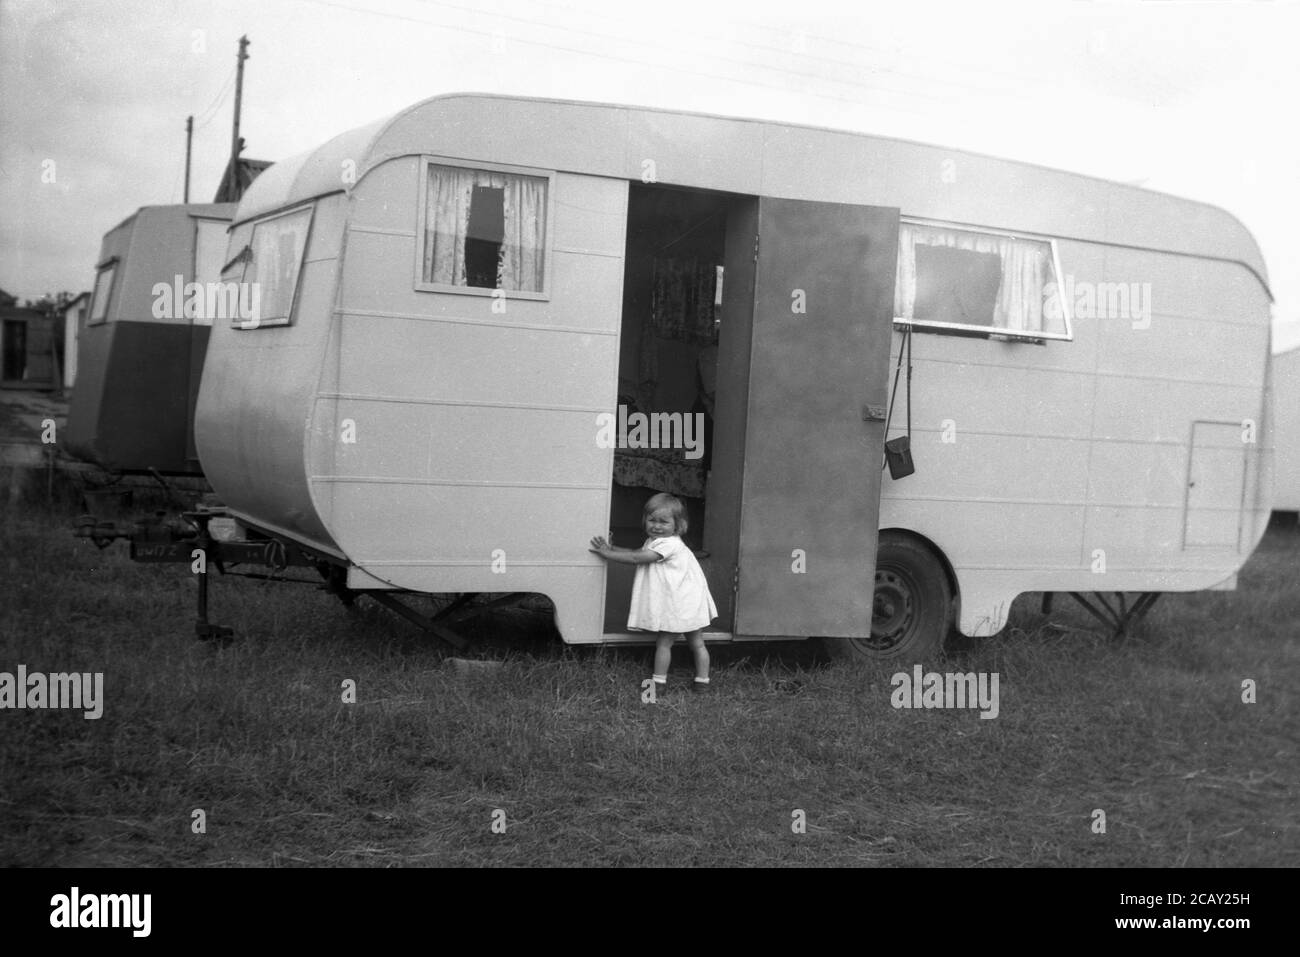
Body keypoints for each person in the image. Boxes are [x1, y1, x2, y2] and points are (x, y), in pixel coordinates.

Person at [589, 492, 718, 696]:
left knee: (665, 643)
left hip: (680, 604)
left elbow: (636, 558)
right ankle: (702, 681)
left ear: (678, 525)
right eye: (652, 520)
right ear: (645, 520)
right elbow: (634, 551)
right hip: (689, 601)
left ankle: (657, 684)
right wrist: (612, 547)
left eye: (663, 522)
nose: (656, 526)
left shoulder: (669, 544)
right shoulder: (655, 540)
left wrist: (607, 554)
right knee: (697, 643)